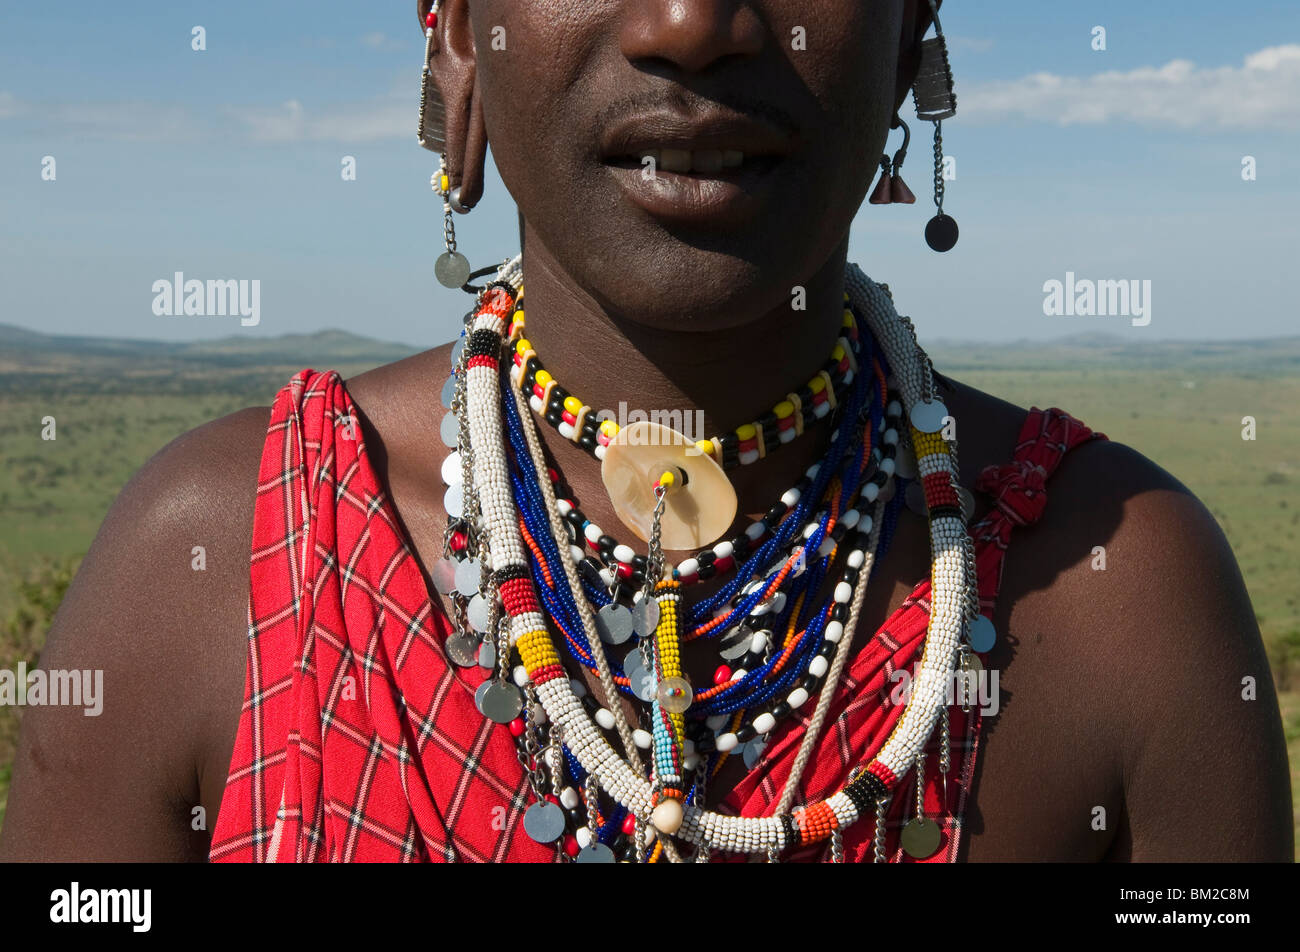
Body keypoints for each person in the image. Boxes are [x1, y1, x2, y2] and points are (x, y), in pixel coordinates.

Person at [0, 0, 1291, 863]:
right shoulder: (232, 542)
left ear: (911, 44)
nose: (692, 24)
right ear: (457, 41)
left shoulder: (1120, 578)